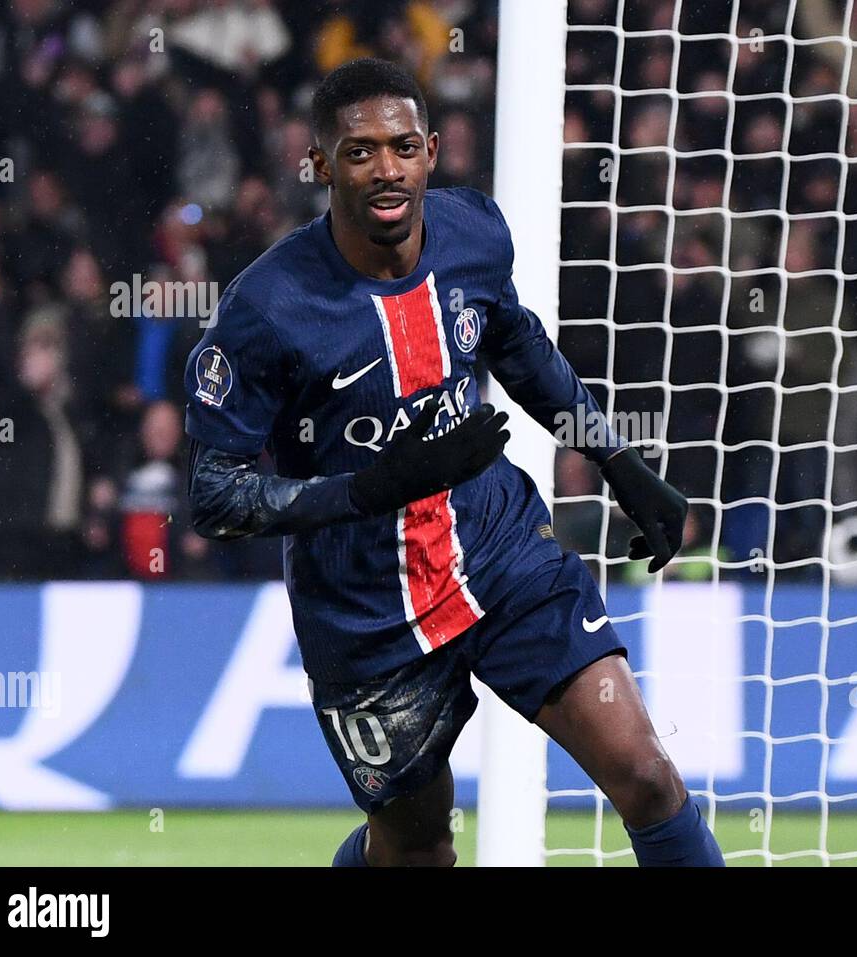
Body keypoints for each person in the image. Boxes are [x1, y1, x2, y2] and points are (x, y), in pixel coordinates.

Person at [183, 58, 723, 867]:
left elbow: (517, 344)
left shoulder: (474, 233)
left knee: (644, 773)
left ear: (432, 150)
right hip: (363, 606)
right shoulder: (267, 307)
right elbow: (215, 495)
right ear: (322, 165)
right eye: (359, 152)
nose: (386, 169)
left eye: (403, 146)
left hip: (499, 549)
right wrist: (374, 486)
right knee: (417, 846)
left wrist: (617, 459)